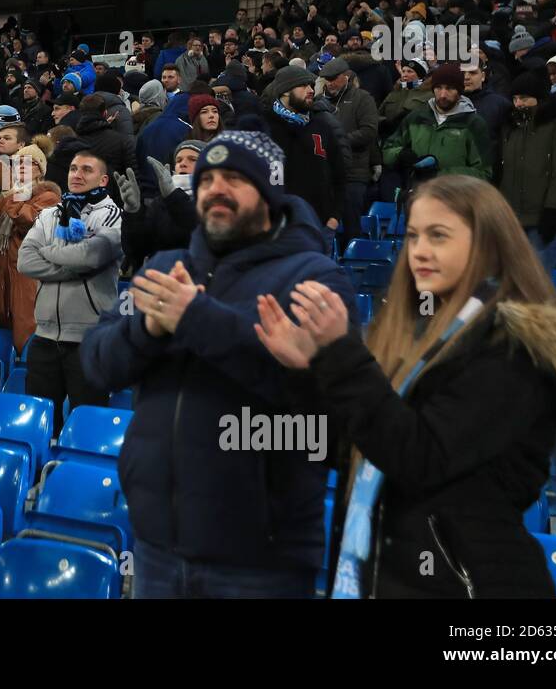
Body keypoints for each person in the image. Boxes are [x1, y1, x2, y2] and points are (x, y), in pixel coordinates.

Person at [256, 175, 556, 598]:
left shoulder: (516, 350)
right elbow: (357, 451)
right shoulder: (424, 337)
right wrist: (308, 371)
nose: (419, 251)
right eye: (413, 236)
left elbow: (420, 459)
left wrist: (342, 356)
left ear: (489, 246)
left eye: (438, 236)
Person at [82, 130, 355, 598]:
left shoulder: (315, 277)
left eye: (234, 178)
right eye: (206, 180)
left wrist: (194, 318)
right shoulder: (166, 266)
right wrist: (147, 331)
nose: (215, 190)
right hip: (156, 547)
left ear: (270, 191)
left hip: (259, 561)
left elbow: (321, 410)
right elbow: (98, 364)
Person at [17, 150, 122, 433]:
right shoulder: (50, 214)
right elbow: (25, 261)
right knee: (39, 427)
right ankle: (40, 476)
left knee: (88, 427)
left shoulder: (111, 215)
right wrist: (70, 263)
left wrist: (50, 253)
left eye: (86, 170)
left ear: (102, 179)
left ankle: (81, 477)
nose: (77, 174)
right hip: (45, 337)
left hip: (88, 340)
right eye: (74, 168)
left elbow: (90, 258)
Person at [0, 143, 60, 353]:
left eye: (28, 163)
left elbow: (28, 221)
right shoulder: (7, 198)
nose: (20, 166)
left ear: (40, 169)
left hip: (26, 283)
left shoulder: (49, 198)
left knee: (24, 345)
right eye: (17, 162)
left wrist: (13, 194)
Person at [498, 69, 556, 270]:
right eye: (515, 98)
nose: (518, 104)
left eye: (524, 98)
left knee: (538, 286)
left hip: (544, 219)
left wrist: (554, 210)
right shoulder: (511, 124)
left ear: (539, 99)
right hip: (512, 219)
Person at [262, 64, 345, 239]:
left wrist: (334, 216)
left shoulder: (322, 127)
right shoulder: (264, 127)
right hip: (276, 228)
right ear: (285, 91)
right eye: (303, 85)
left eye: (311, 85)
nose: (310, 90)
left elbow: (340, 176)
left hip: (319, 226)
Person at [382, 62, 492, 182]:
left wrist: (439, 175)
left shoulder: (473, 124)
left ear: (460, 91)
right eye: (438, 88)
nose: (443, 94)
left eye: (450, 88)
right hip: (419, 192)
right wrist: (400, 154)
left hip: (453, 196)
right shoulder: (417, 117)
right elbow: (387, 150)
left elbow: (483, 173)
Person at [319, 57, 379, 249]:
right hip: (326, 174)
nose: (330, 83)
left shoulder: (363, 99)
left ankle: (355, 268)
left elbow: (369, 131)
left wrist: (338, 141)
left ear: (346, 77)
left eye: (334, 79)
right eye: (326, 79)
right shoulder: (319, 103)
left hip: (354, 173)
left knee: (352, 227)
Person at [118, 142, 200, 269]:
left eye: (193, 159)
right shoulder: (160, 202)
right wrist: (132, 212)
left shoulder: (211, 202)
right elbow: (136, 251)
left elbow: (197, 235)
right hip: (157, 280)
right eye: (178, 160)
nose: (183, 163)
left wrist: (173, 196)